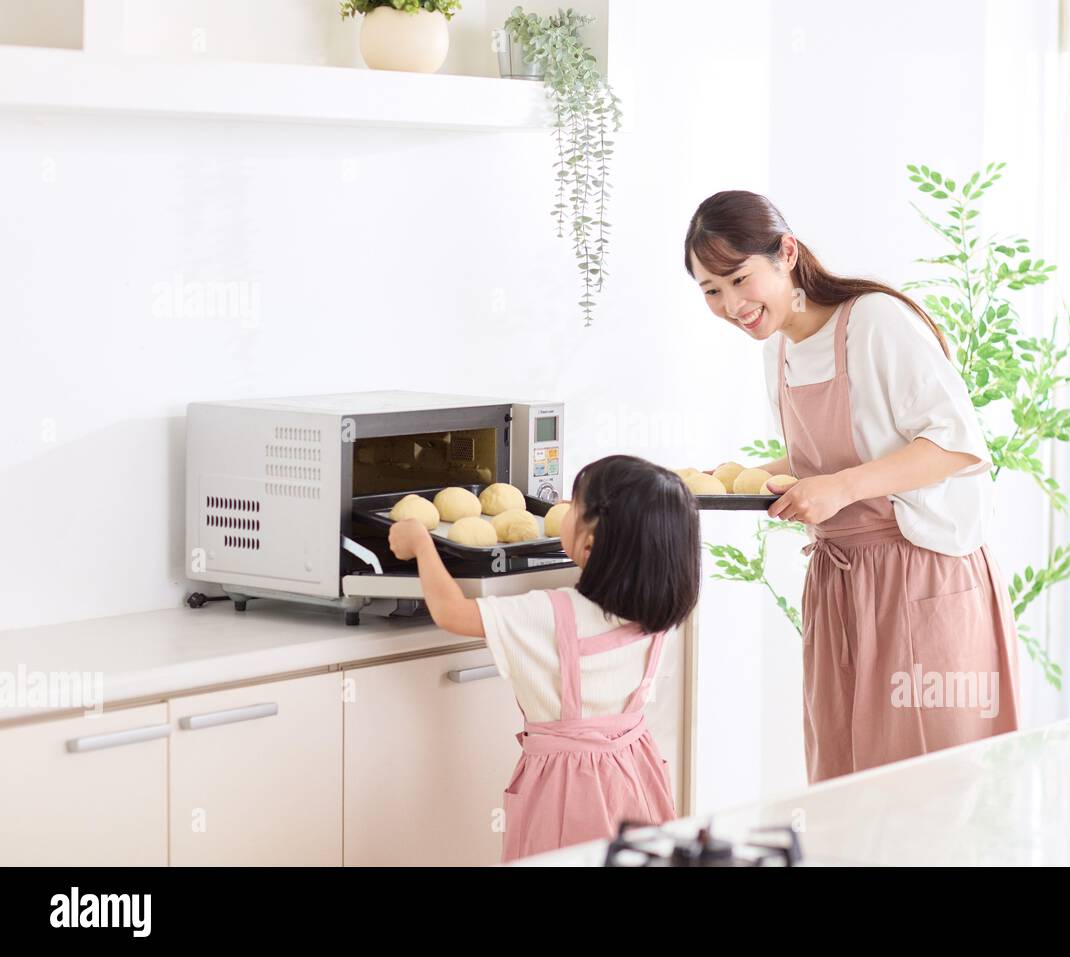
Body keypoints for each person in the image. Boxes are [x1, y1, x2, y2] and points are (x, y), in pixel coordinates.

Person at [685, 189, 1021, 782]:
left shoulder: (875, 321)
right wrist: (735, 479)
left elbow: (957, 443)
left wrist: (840, 489)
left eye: (739, 279)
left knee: (928, 788)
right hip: (842, 586)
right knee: (846, 781)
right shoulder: (780, 349)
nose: (731, 304)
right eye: (712, 290)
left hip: (920, 575)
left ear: (786, 253)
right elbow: (824, 457)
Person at [387, 454, 700, 860]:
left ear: (589, 544)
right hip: (634, 771)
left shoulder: (549, 614)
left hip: (566, 785)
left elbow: (451, 612)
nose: (562, 509)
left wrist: (422, 545)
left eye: (574, 504)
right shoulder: (660, 609)